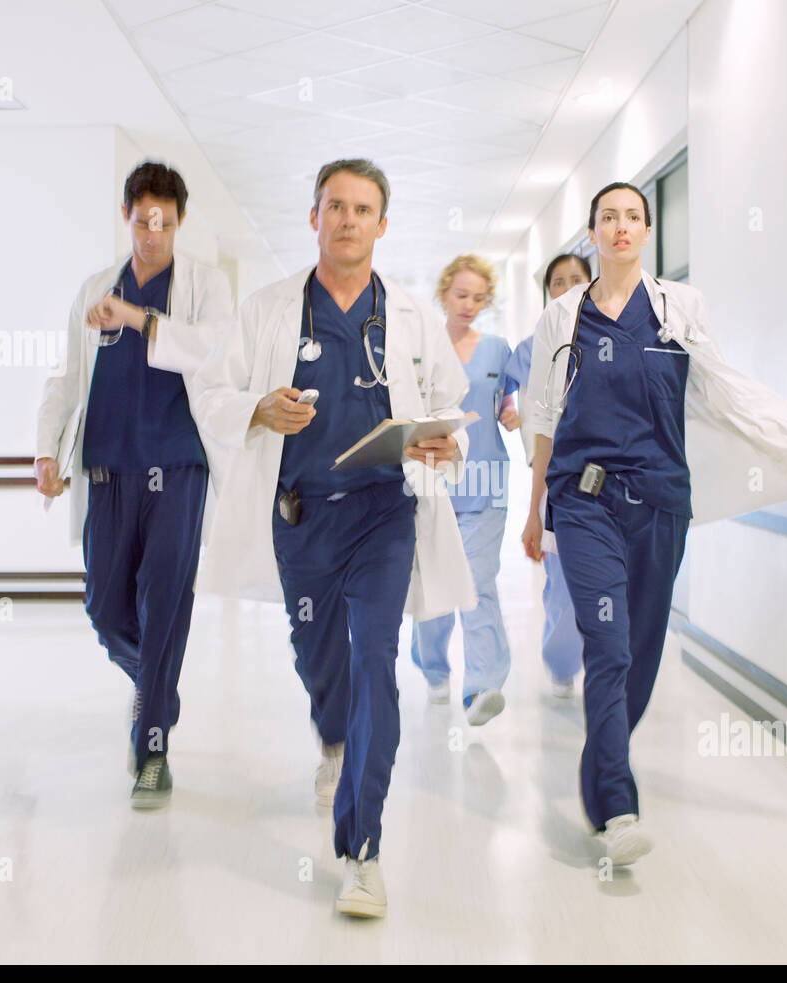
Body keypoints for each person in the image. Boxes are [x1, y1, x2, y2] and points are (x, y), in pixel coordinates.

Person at [185, 158, 476, 919]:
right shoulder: (270, 310)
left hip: (386, 512)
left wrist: (446, 445)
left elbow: (449, 405)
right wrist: (256, 410)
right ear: (312, 217)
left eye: (363, 208)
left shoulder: (410, 315)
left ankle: (363, 850)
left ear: (384, 224)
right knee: (322, 662)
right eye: (334, 206)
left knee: (375, 658)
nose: (347, 219)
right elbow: (212, 392)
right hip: (301, 517)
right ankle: (335, 737)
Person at [521, 182, 787, 867]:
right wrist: (533, 509)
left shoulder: (679, 308)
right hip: (583, 500)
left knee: (637, 653)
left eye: (633, 217)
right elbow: (544, 415)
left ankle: (599, 770)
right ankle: (617, 804)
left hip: (661, 501)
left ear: (646, 232)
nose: (622, 228)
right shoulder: (563, 316)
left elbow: (718, 388)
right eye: (608, 218)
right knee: (606, 644)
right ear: (592, 233)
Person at [34, 160, 233, 809]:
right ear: (129, 217)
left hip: (178, 467)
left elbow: (213, 351)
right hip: (107, 468)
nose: (153, 234)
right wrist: (46, 451)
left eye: (166, 223)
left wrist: (142, 319)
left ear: (179, 223)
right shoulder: (95, 287)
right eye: (144, 221)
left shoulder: (203, 284)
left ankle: (153, 750)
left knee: (164, 602)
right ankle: (158, 689)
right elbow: (66, 376)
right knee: (105, 607)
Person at [410, 254, 518, 725]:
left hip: (487, 482)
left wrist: (513, 415)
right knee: (435, 585)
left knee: (477, 582)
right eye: (461, 295)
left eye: (479, 298)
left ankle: (483, 687)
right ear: (444, 294)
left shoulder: (498, 350)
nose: (470, 305)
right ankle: (433, 668)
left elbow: (508, 406)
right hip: (433, 481)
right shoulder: (422, 348)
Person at [504, 253, 592, 699]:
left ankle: (604, 667)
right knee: (562, 587)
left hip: (611, 481)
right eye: (558, 282)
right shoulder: (532, 348)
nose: (567, 288)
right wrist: (507, 410)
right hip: (555, 479)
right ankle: (562, 663)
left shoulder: (607, 338)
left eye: (576, 279)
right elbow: (500, 385)